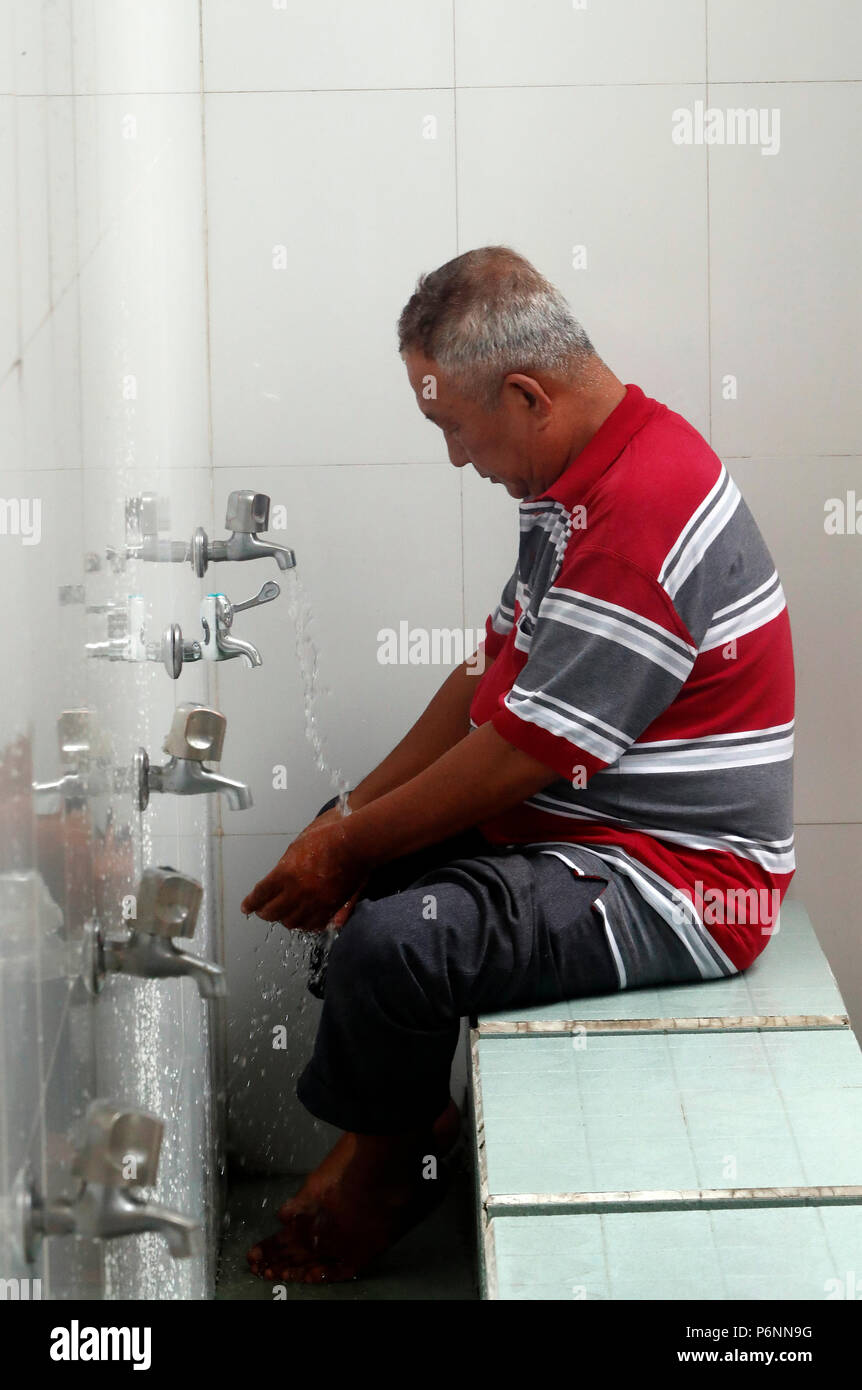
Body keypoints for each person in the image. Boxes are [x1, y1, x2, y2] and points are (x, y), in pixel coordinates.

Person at [241, 246, 795, 1284]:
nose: (457, 458)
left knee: (389, 944)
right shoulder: (579, 482)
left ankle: (386, 1165)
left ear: (525, 393)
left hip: (677, 878)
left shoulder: (639, 514)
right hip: (582, 827)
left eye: (453, 427)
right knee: (355, 850)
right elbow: (484, 676)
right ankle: (395, 1130)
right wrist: (349, 815)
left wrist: (352, 845)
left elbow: (522, 757)